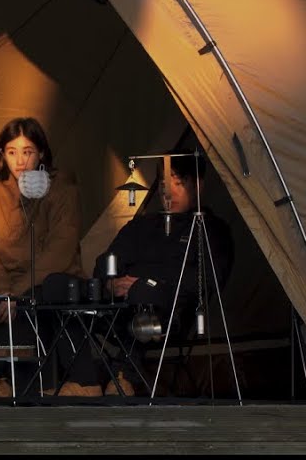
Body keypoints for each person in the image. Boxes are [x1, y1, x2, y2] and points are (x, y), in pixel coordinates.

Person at [0, 117, 93, 398]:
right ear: (1, 155)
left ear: (42, 153)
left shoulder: (62, 191)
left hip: (44, 281)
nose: (20, 160)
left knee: (37, 295)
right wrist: (4, 293)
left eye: (28, 152)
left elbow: (59, 251)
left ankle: (20, 382)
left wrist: (17, 293)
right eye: (12, 152)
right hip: (4, 288)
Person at [91, 151, 235, 395]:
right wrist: (110, 283)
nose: (169, 193)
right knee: (56, 287)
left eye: (179, 184)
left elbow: (209, 278)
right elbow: (108, 260)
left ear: (198, 185)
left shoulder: (210, 229)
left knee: (144, 292)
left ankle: (123, 376)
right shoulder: (143, 225)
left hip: (171, 315)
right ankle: (83, 380)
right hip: (118, 310)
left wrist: (149, 283)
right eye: (164, 184)